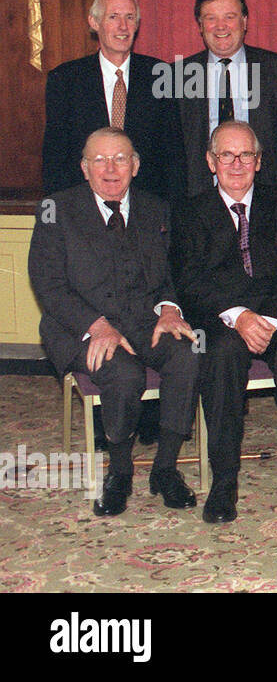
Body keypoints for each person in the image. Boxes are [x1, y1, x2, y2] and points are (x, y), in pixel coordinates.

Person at [174, 122, 277, 523]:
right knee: (220, 352)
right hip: (223, 317)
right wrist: (240, 316)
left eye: (245, 155)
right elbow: (188, 280)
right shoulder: (189, 211)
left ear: (259, 160)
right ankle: (224, 480)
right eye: (226, 156)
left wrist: (266, 318)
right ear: (210, 162)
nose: (236, 164)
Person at [30, 127, 200, 517]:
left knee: (187, 356)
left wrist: (170, 307)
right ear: (84, 168)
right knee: (124, 375)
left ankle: (165, 469)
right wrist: (96, 325)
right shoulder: (56, 209)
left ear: (135, 166)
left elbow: (171, 276)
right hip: (78, 324)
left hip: (143, 318)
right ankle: (119, 471)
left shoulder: (156, 208)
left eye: (120, 159)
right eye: (100, 160)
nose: (111, 169)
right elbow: (49, 288)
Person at [43, 0, 183, 205]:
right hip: (82, 211)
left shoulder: (161, 75)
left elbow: (173, 157)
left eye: (130, 17)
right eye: (113, 17)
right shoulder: (66, 80)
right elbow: (55, 157)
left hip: (146, 212)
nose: (123, 26)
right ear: (94, 22)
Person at [177, 0, 277, 198]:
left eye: (229, 17)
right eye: (211, 18)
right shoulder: (179, 76)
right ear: (200, 26)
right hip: (199, 200)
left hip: (268, 198)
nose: (220, 26)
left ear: (244, 22)